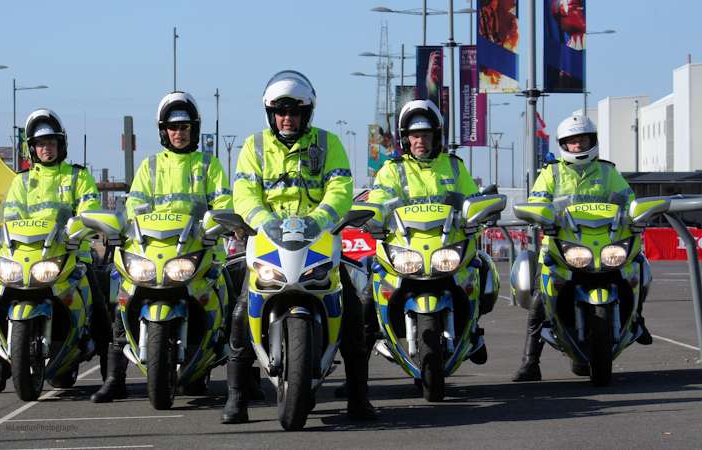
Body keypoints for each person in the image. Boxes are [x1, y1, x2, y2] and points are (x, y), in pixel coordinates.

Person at [221, 70, 375, 424]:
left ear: (307, 113)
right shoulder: (253, 147)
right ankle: (236, 397)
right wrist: (260, 220)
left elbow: (339, 188)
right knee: (242, 308)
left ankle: (358, 396)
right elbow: (243, 192)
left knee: (352, 308)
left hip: (317, 240)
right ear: (270, 113)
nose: (287, 118)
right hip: (268, 241)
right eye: (280, 112)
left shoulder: (328, 143)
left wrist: (322, 218)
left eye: (294, 112)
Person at [91, 91, 233, 402]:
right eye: (173, 127)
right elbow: (133, 207)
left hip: (201, 251)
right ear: (163, 131)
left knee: (233, 297)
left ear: (193, 129)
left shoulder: (209, 165)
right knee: (122, 297)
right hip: (154, 252)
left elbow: (224, 201)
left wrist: (215, 224)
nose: (178, 133)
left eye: (184, 127)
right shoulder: (151, 167)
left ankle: (244, 378)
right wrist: (122, 227)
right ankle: (115, 378)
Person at [511, 114, 652, 382]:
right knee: (541, 299)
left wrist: (637, 215)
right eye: (572, 141)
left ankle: (638, 320)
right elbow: (536, 201)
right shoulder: (551, 173)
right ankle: (530, 361)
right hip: (561, 248)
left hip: (604, 245)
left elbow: (630, 202)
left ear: (592, 141)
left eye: (582, 139)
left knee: (637, 270)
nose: (578, 145)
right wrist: (541, 214)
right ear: (564, 144)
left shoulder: (607, 172)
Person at [0, 109, 110, 393]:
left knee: (100, 298)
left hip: (70, 256)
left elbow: (89, 211)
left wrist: (80, 227)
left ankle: (111, 373)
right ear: (32, 149)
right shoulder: (21, 182)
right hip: (25, 259)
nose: (47, 149)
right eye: (41, 144)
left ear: (61, 145)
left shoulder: (78, 177)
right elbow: (8, 220)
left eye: (52, 143)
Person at [365, 99, 493, 364]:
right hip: (405, 247)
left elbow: (472, 199)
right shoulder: (391, 170)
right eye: (414, 135)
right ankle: (359, 374)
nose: (420, 140)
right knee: (366, 294)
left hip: (447, 245)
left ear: (436, 136)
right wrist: (372, 218)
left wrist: (480, 212)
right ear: (405, 139)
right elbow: (377, 201)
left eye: (425, 134)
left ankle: (474, 331)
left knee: (481, 270)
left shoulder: (454, 166)